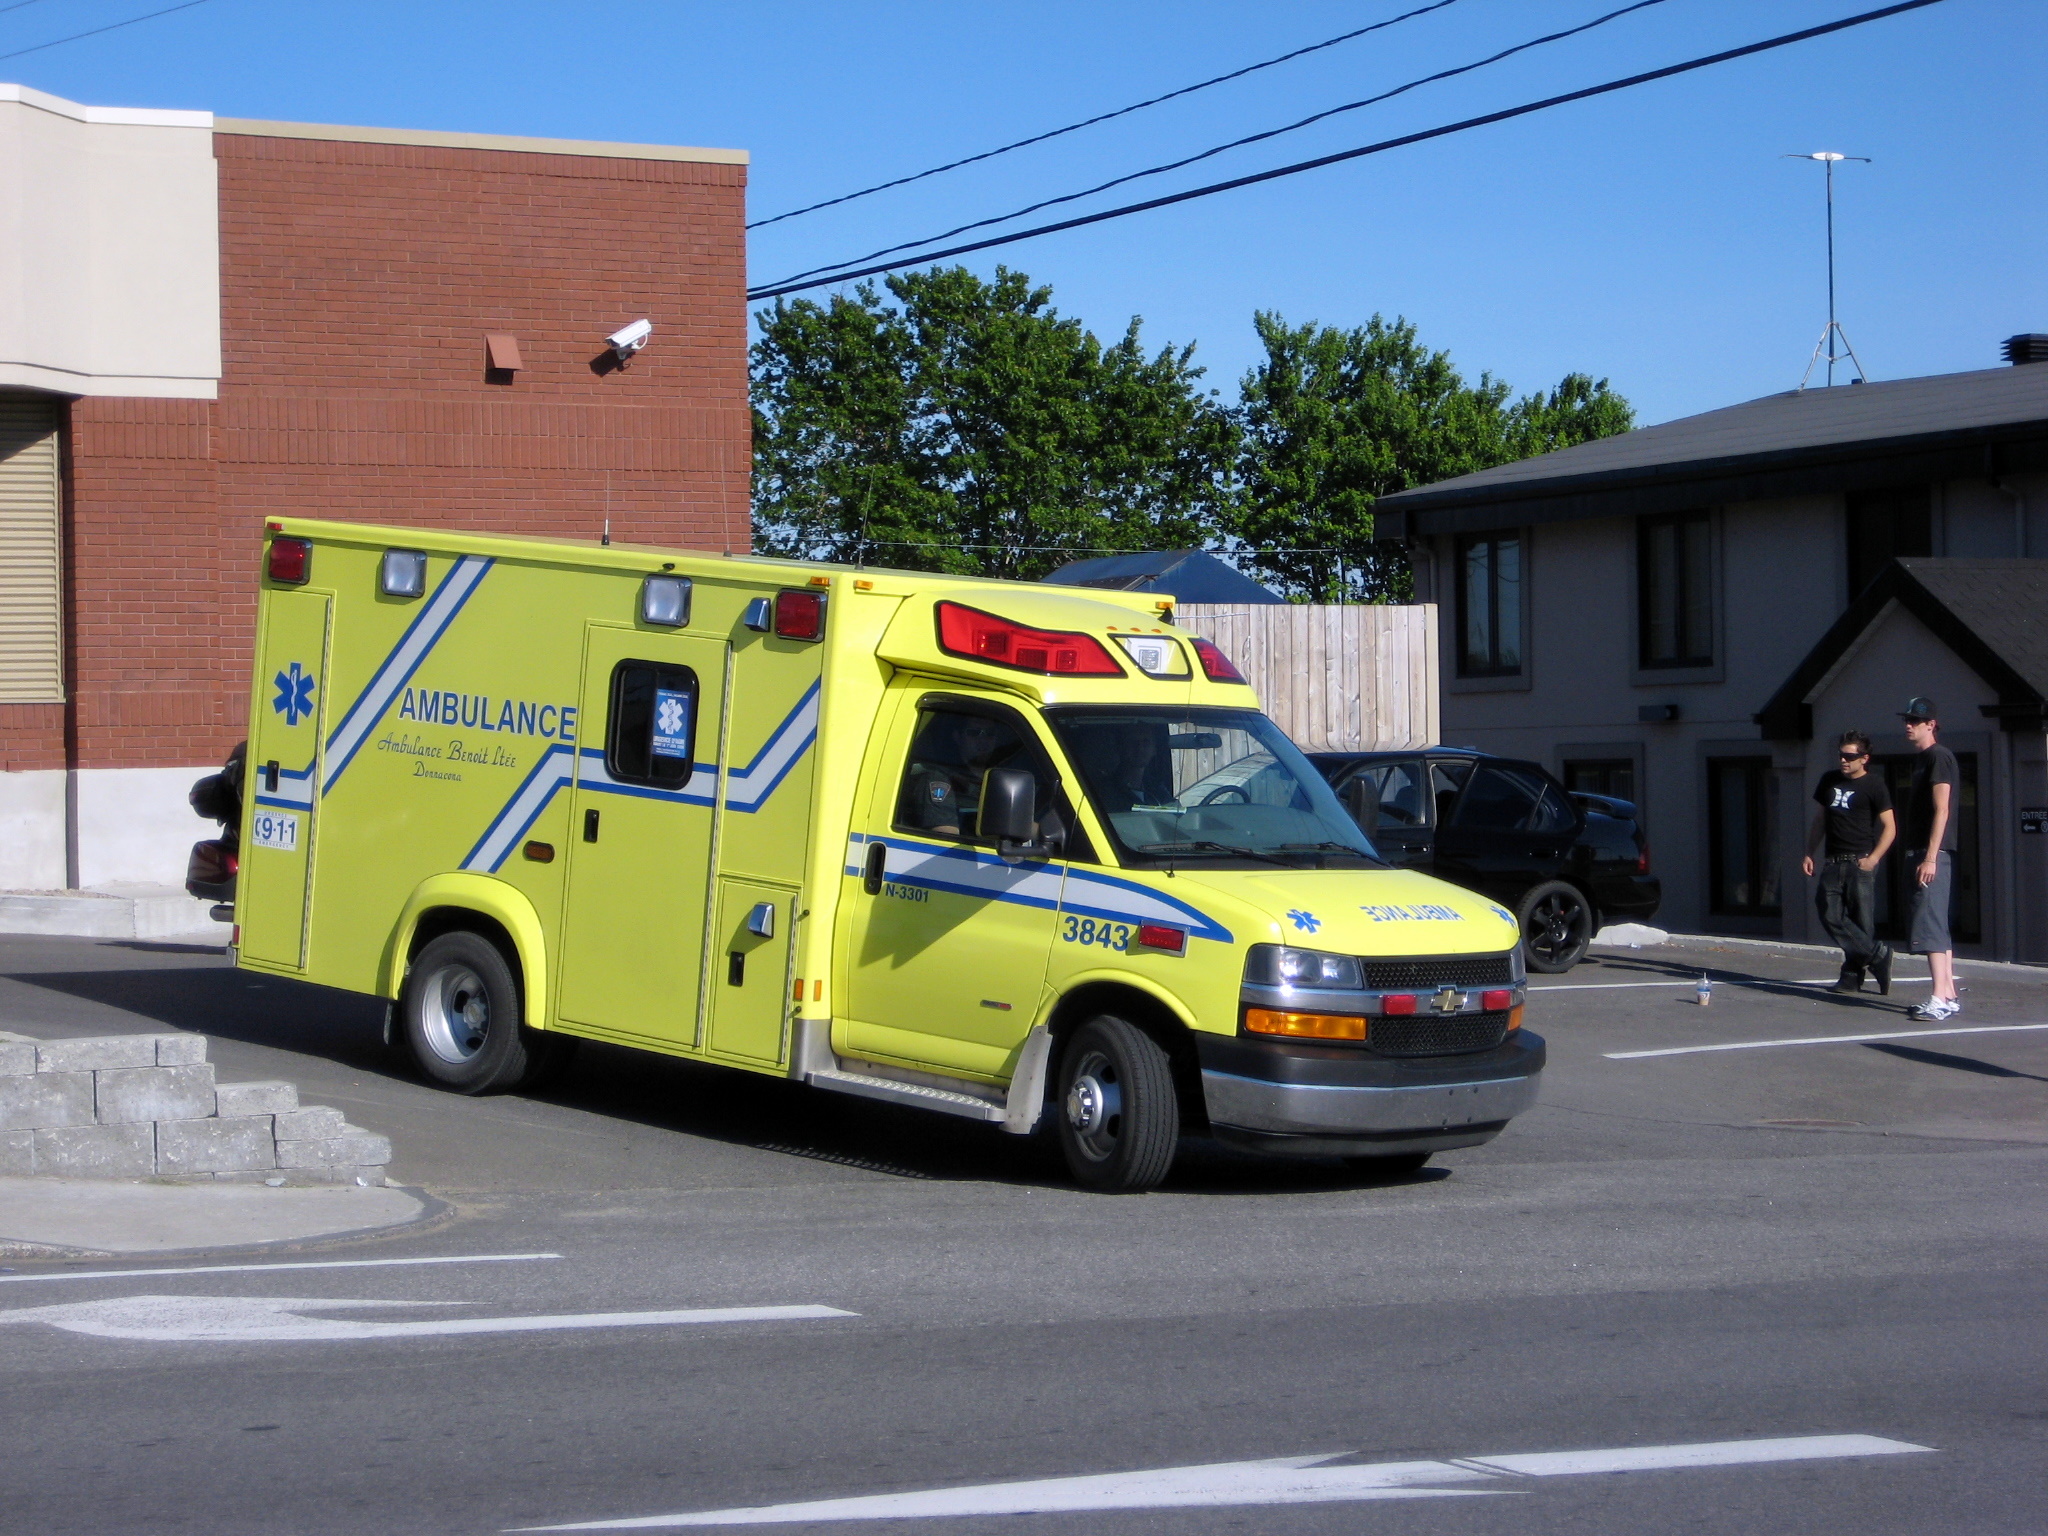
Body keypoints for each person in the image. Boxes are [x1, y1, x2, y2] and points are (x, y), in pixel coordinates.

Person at [1801, 730, 1895, 994]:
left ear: (1864, 758)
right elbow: (1820, 820)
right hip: (1833, 861)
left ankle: (1851, 978)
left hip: (1860, 862)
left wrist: (1874, 859)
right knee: (1828, 911)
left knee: (1861, 922)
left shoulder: (1874, 785)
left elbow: (1890, 827)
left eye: (1850, 756)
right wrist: (1809, 852)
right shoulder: (1829, 780)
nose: (1844, 760)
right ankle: (1878, 955)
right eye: (1841, 755)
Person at [1899, 697, 1961, 1019]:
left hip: (1931, 853)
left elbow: (1943, 809)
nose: (1908, 725)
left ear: (1931, 724)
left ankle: (1938, 998)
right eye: (1906, 720)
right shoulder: (1922, 760)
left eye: (1914, 720)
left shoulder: (1939, 757)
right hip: (1921, 852)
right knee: (1936, 924)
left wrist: (1931, 857)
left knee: (1930, 926)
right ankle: (1948, 994)